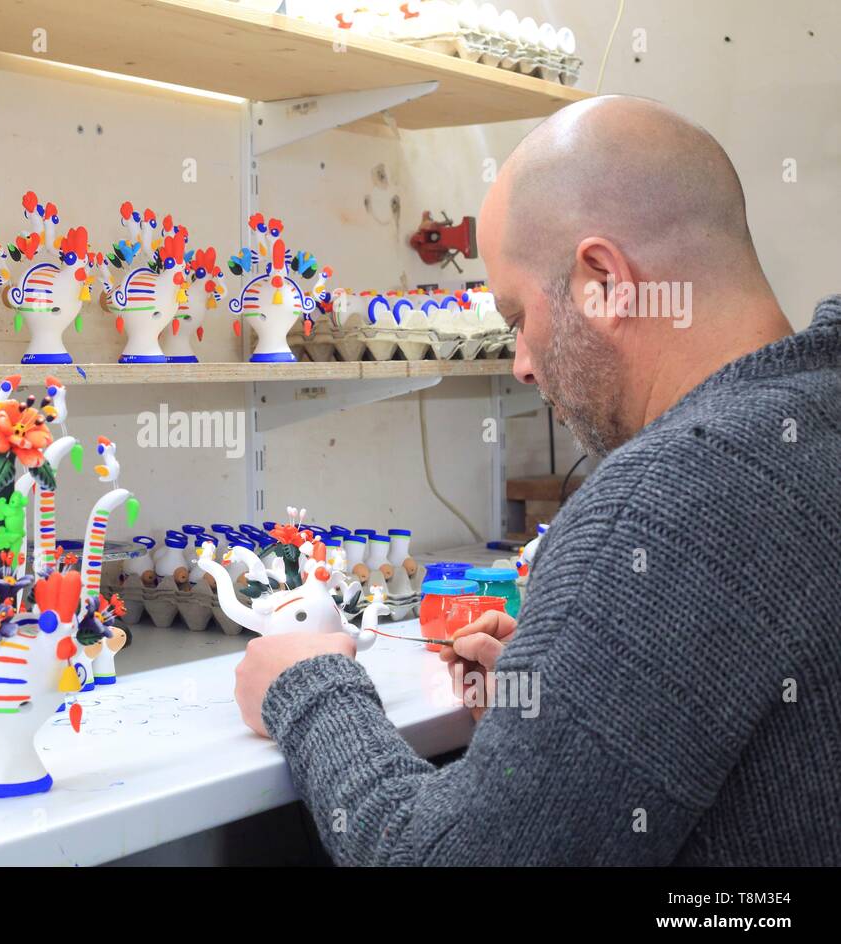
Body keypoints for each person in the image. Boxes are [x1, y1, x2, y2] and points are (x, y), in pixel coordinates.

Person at [233, 95, 841, 865]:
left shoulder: (666, 503)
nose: (521, 361)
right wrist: (560, 716)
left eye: (518, 316)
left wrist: (312, 687)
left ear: (605, 282)